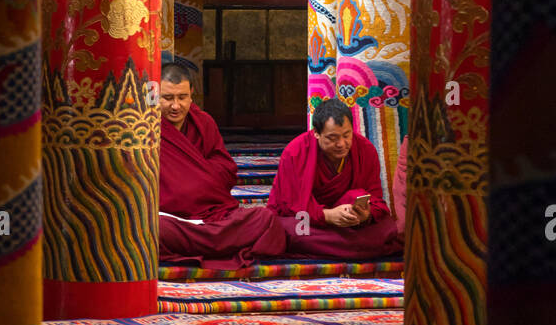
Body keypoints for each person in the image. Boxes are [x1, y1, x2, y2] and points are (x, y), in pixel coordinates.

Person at [158, 64, 287, 267]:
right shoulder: (146, 129)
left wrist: (194, 183)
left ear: (192, 94)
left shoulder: (204, 122)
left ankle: (201, 245)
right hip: (172, 219)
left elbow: (226, 170)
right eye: (167, 98)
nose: (175, 106)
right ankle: (219, 246)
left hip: (213, 215)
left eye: (182, 97)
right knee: (152, 229)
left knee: (264, 217)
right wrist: (195, 182)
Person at [266, 100, 401, 258]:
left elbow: (375, 198)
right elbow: (290, 205)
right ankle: (354, 247)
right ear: (316, 132)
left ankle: (332, 246)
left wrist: (366, 215)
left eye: (346, 135)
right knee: (287, 229)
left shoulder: (365, 150)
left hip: (350, 224)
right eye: (332, 138)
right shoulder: (295, 152)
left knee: (385, 226)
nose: (341, 144)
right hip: (309, 222)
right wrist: (328, 216)